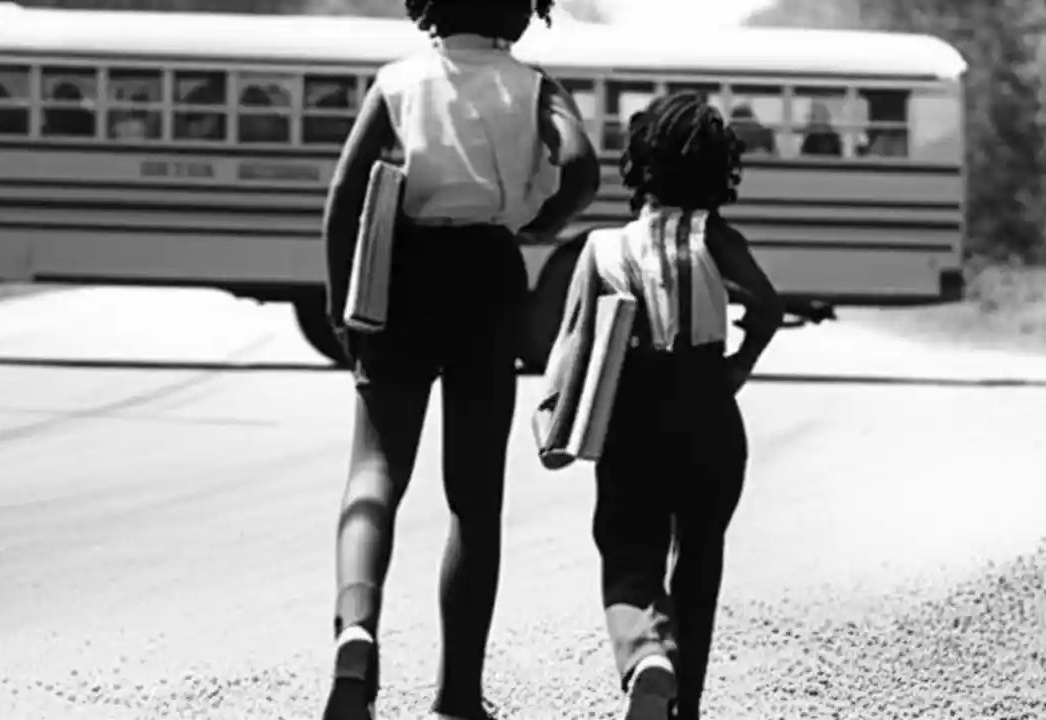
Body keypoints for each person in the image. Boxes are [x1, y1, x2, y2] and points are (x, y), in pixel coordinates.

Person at [319, 1, 601, 719]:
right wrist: (540, 222)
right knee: (474, 498)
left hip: (403, 272)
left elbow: (345, 196)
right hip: (488, 275)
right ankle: (458, 696)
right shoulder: (534, 85)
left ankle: (356, 630)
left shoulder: (398, 81)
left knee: (375, 470)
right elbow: (581, 166)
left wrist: (337, 299)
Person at [584, 91, 784, 720]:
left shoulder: (606, 248)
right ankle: (687, 705)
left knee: (628, 547)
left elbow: (579, 346)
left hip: (635, 415)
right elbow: (768, 304)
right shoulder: (718, 238)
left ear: (639, 166)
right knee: (701, 554)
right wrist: (738, 364)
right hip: (709, 411)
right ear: (720, 170)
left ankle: (646, 656)